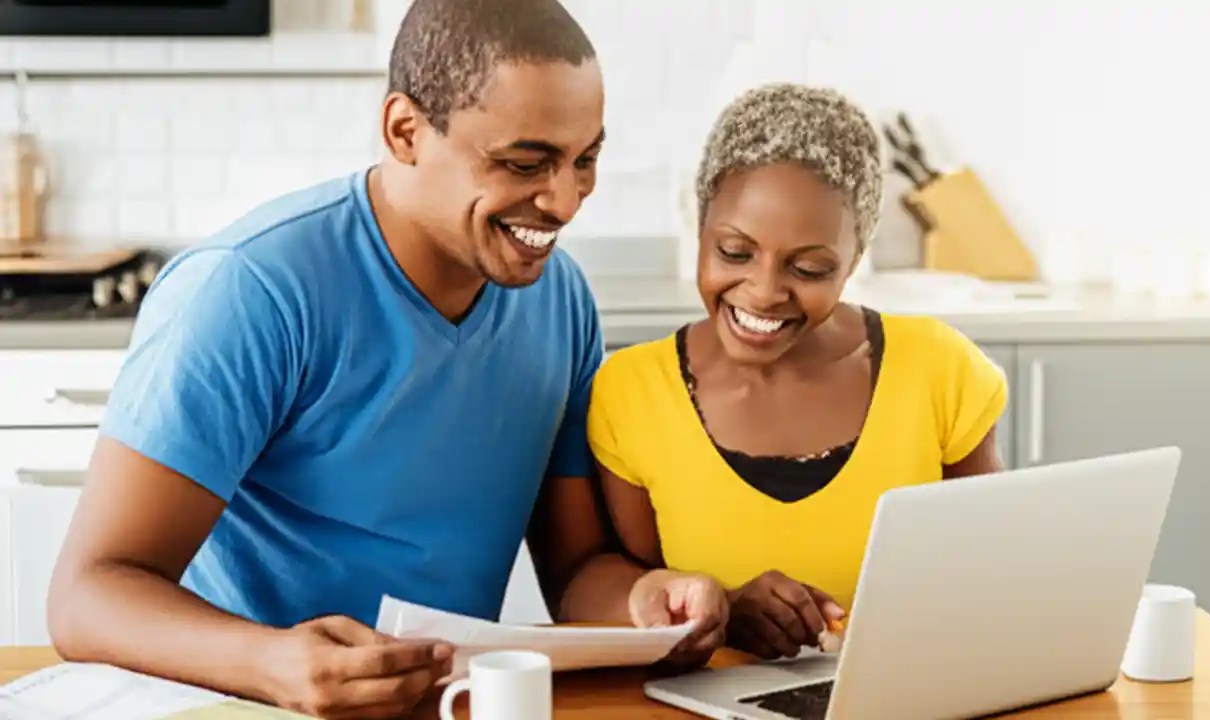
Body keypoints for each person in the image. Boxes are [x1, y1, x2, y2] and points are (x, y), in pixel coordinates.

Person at [46, 1, 724, 717]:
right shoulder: (251, 292)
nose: (564, 200)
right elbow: (87, 595)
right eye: (526, 163)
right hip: (246, 705)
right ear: (405, 130)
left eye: (585, 159)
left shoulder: (560, 302)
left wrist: (647, 601)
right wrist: (273, 664)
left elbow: (576, 569)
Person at [586, 83, 1008, 661]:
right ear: (701, 227)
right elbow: (619, 582)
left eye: (809, 267)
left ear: (854, 259)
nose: (763, 292)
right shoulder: (633, 392)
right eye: (734, 252)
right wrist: (725, 609)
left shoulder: (938, 369)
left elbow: (995, 568)